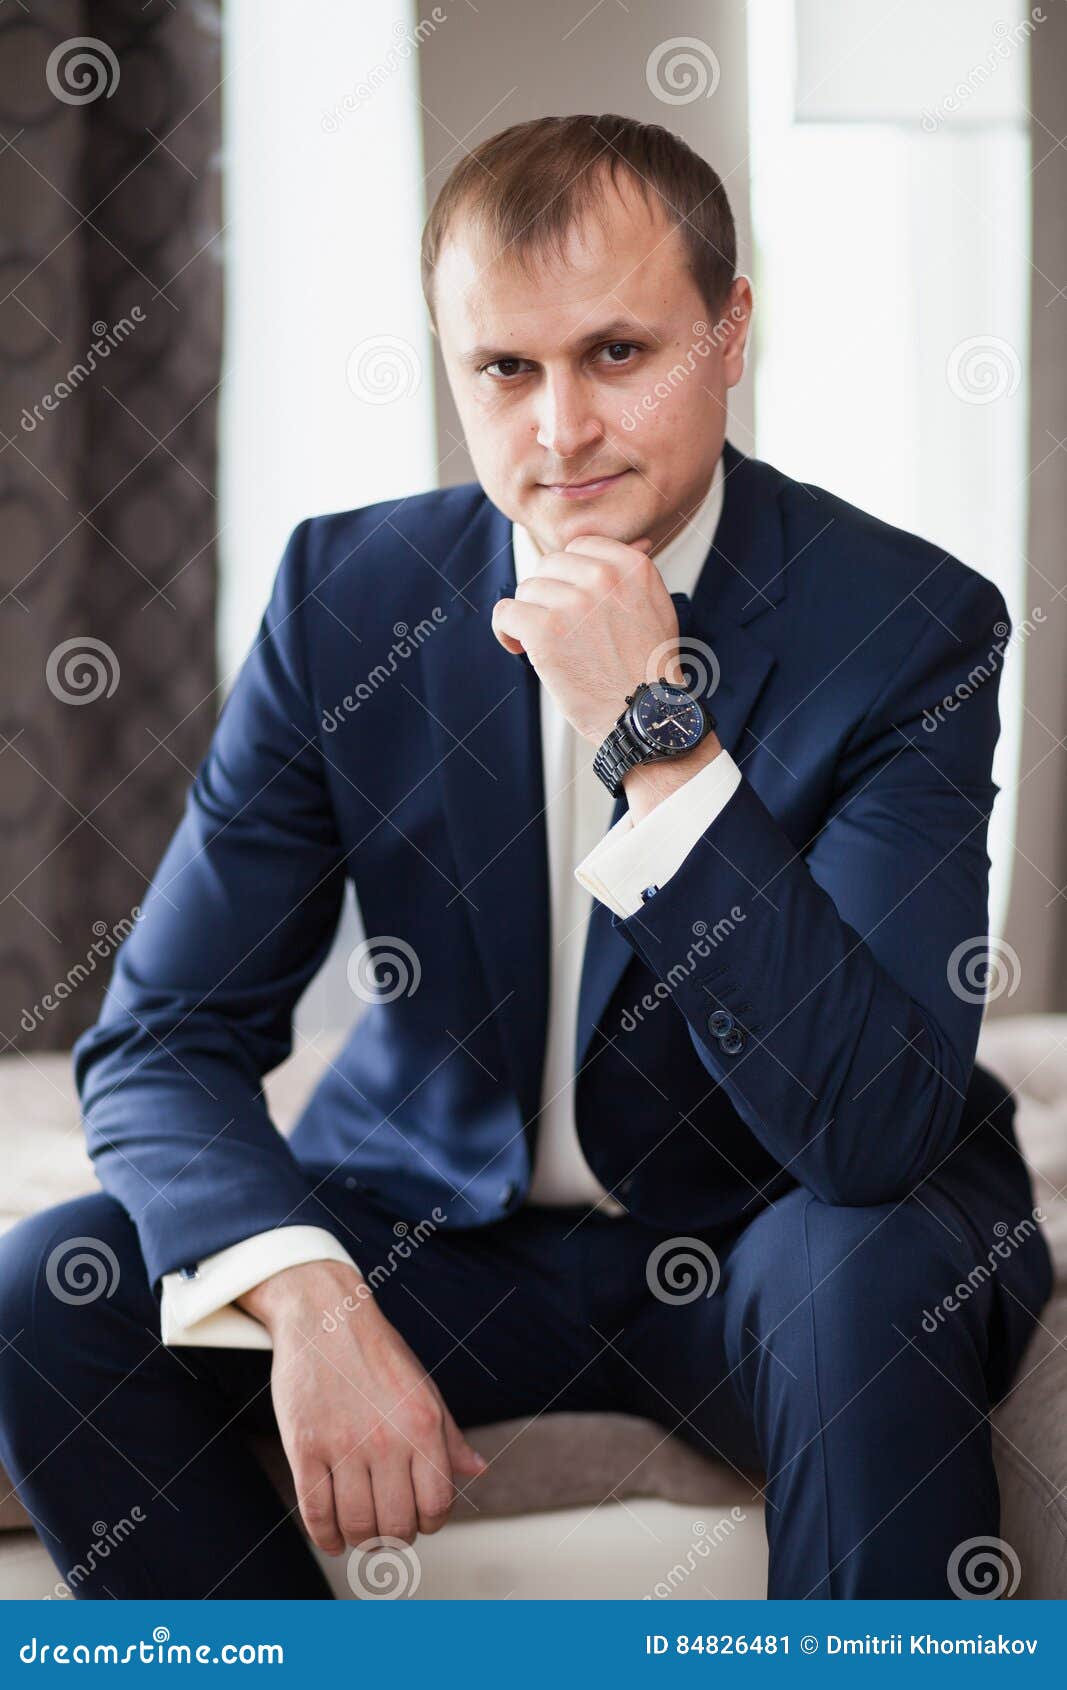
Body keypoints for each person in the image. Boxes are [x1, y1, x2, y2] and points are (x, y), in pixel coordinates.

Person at [0, 114, 1051, 1600]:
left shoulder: (906, 623)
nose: (558, 431)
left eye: (618, 353)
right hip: (443, 1233)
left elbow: (874, 1130)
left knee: (863, 1268)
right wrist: (304, 1291)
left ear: (730, 331)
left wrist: (656, 735)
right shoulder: (347, 599)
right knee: (55, 1285)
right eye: (506, 368)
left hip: (775, 1232)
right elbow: (166, 1030)